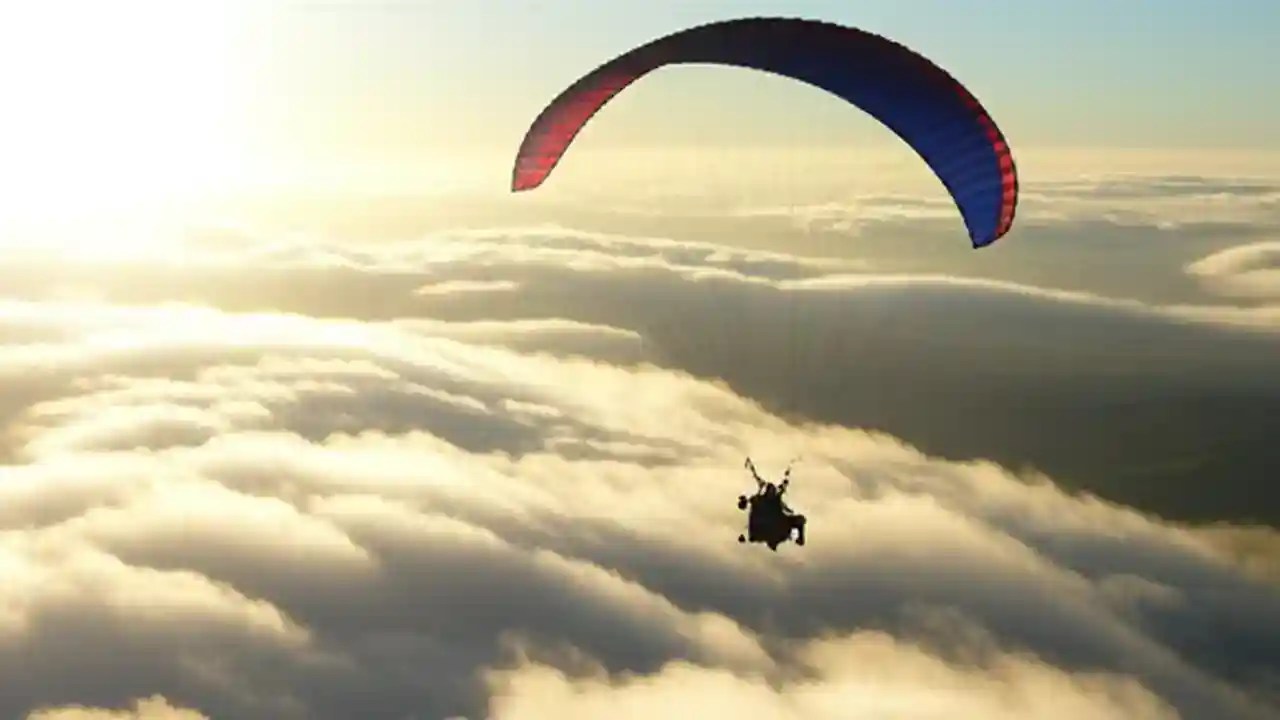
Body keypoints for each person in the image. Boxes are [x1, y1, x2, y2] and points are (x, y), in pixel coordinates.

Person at [738, 457, 806, 549]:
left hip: (775, 526)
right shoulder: (759, 500)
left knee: (800, 520)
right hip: (766, 528)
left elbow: (745, 504)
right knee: (799, 520)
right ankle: (798, 538)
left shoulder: (772, 499)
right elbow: (744, 504)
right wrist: (743, 502)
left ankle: (800, 539)